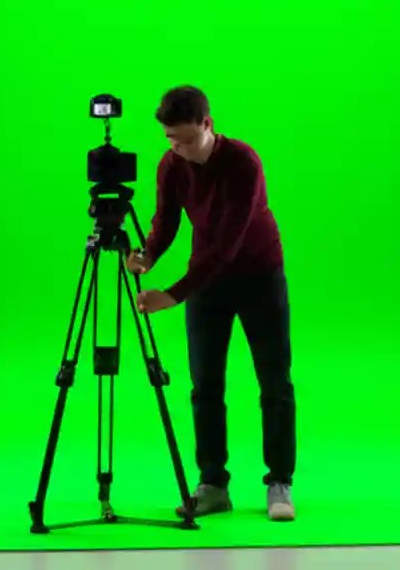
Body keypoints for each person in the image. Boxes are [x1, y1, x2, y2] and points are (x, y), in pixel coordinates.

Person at [130, 85, 296, 523]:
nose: (178, 148)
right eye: (169, 139)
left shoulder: (243, 161)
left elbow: (227, 245)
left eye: (185, 138)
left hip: (259, 276)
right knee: (205, 385)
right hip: (207, 282)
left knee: (274, 381)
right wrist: (149, 255)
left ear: (208, 124)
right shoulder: (171, 164)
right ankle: (213, 485)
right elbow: (166, 219)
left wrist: (172, 295)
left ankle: (279, 481)